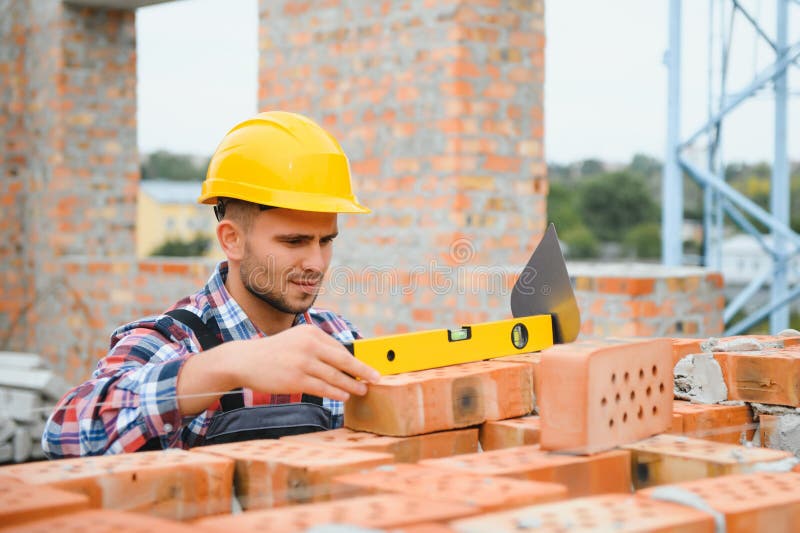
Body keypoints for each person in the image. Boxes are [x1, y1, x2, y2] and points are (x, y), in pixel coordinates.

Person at [42, 111, 381, 458]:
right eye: (294, 242)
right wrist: (228, 364)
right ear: (232, 239)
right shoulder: (171, 342)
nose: (316, 263)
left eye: (325, 241)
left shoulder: (339, 340)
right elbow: (63, 435)